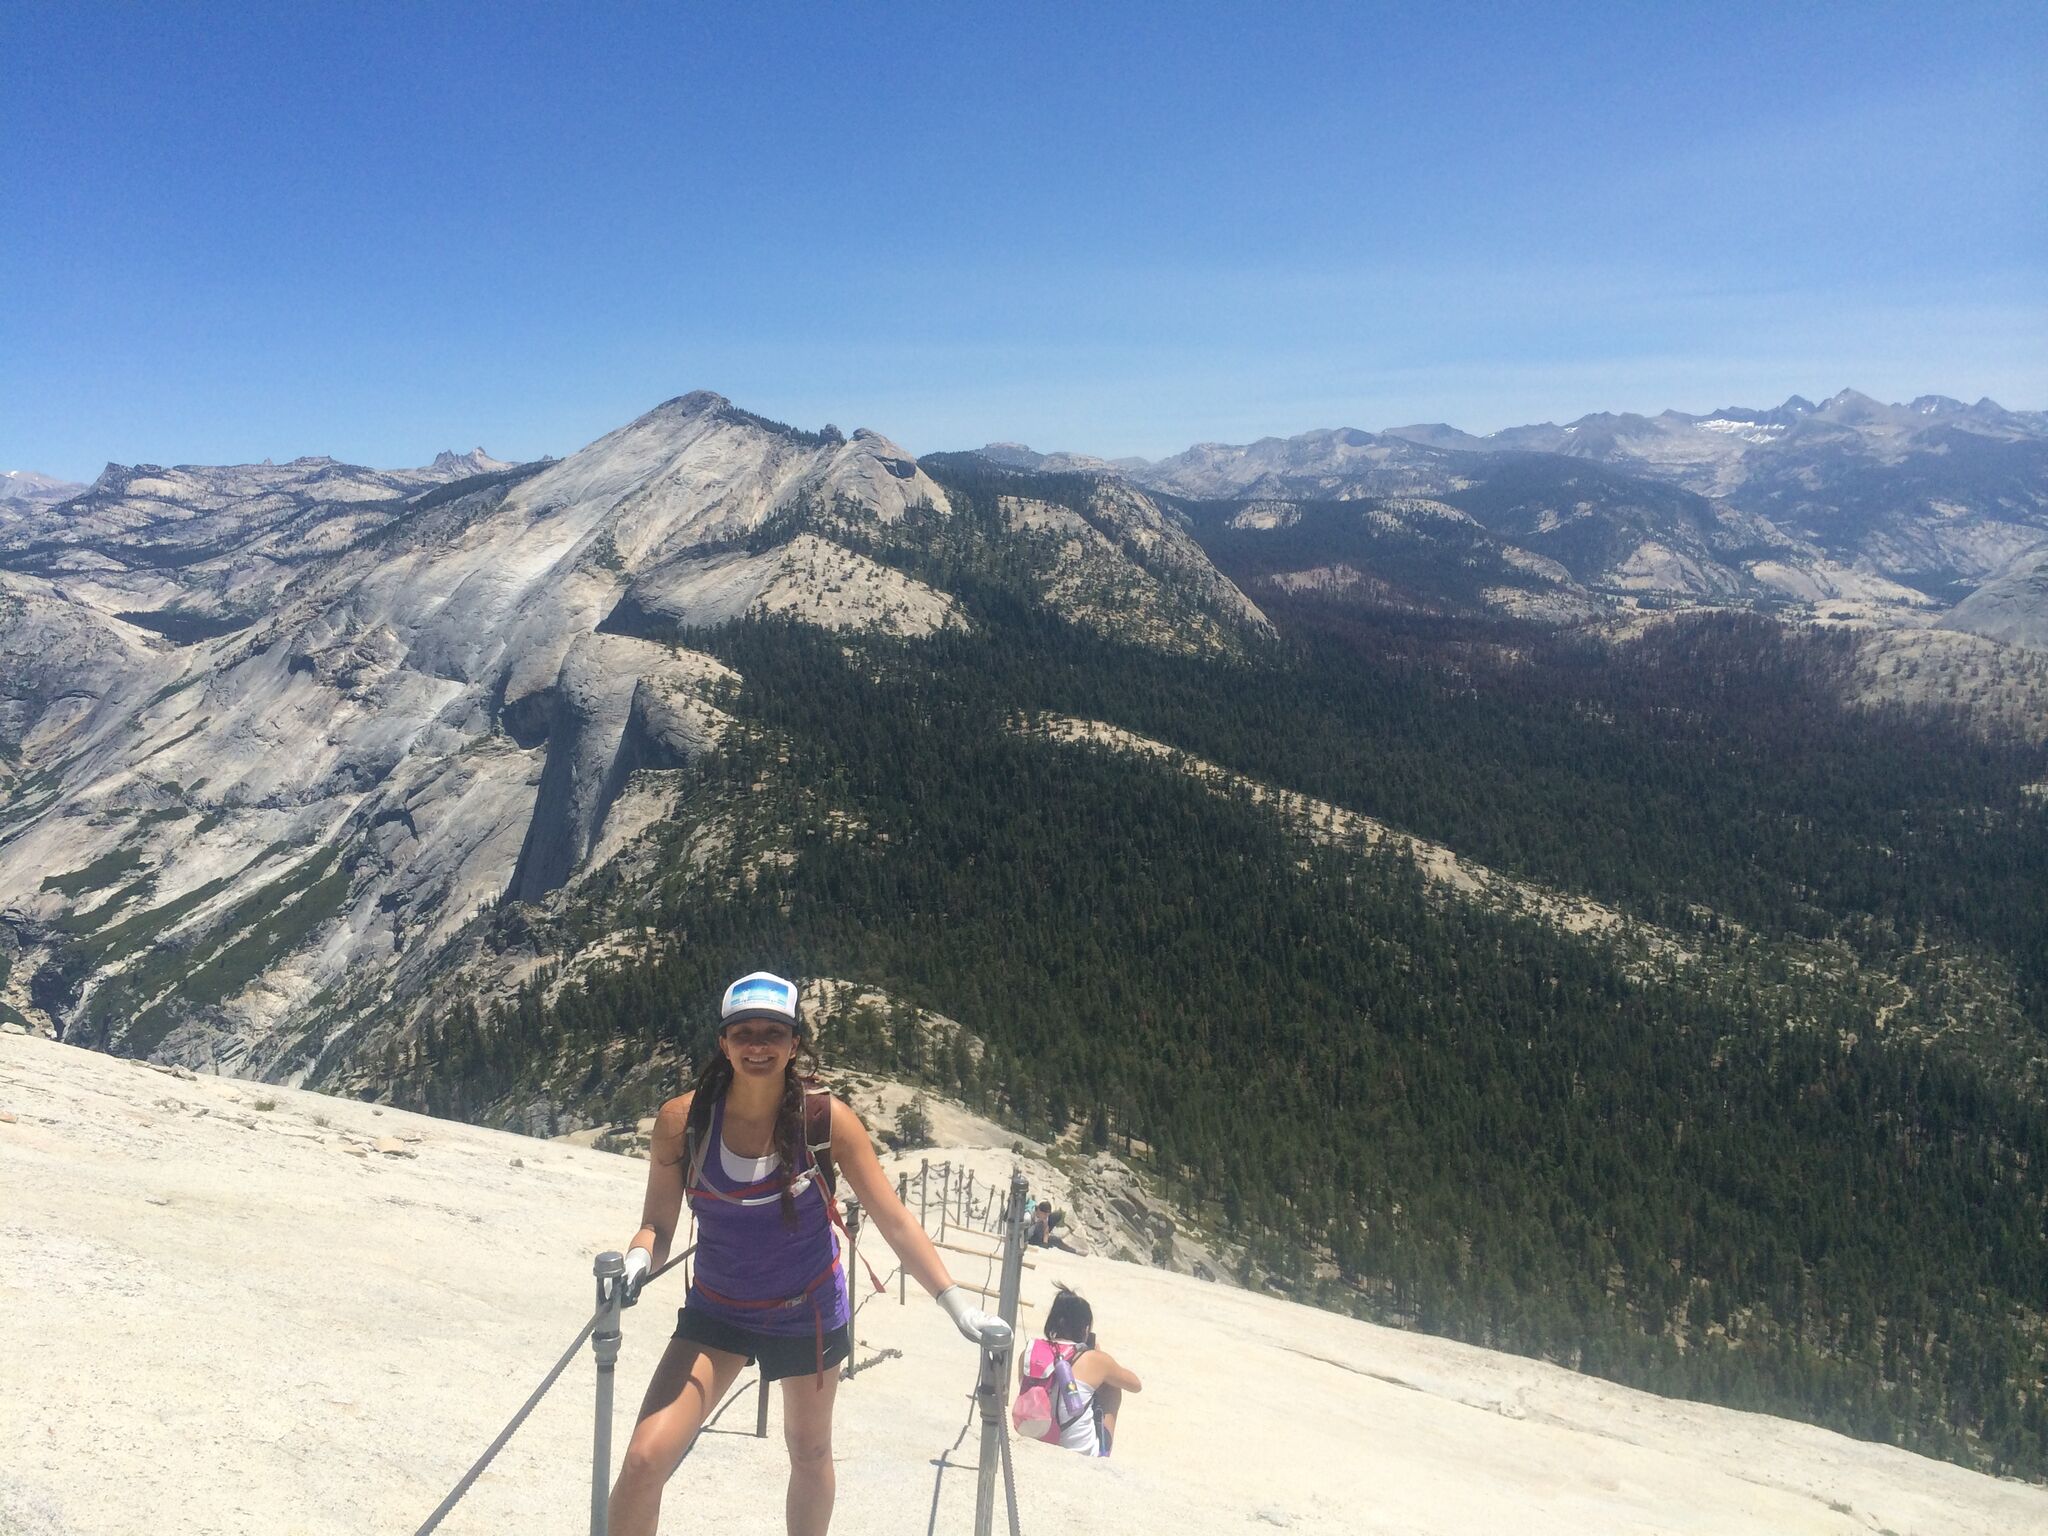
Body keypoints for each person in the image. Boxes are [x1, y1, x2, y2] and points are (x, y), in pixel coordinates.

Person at [607, 971, 1010, 1536]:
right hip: (718, 1311)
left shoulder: (827, 1121)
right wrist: (637, 1258)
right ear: (723, 1043)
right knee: (644, 1460)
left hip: (808, 1315)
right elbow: (657, 1222)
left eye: (772, 1033)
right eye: (743, 1032)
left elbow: (893, 1218)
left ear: (794, 1043)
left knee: (810, 1453)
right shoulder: (683, 1121)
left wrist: (955, 1302)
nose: (757, 1045)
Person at [1018, 1284, 1141, 1457]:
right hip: (1078, 1449)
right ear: (1085, 1329)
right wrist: (1101, 1359)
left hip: (1034, 1435)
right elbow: (1136, 1385)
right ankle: (1103, 1452)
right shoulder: (1095, 1359)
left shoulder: (1029, 1352)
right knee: (1112, 1386)